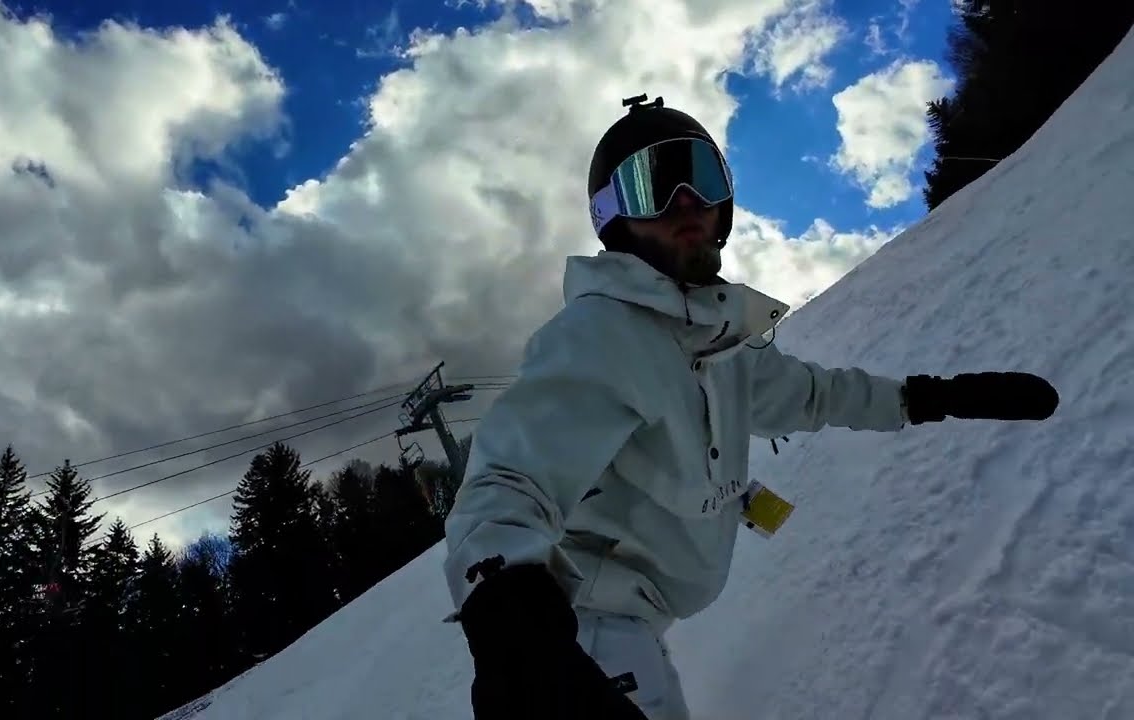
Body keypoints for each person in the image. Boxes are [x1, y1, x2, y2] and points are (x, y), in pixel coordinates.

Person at [440, 94, 1059, 720]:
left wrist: (925, 397)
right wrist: (509, 622)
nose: (686, 200)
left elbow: (815, 394)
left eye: (702, 177)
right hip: (584, 637)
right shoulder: (599, 336)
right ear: (612, 217)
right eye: (653, 183)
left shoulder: (722, 345)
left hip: (638, 625)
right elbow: (510, 476)